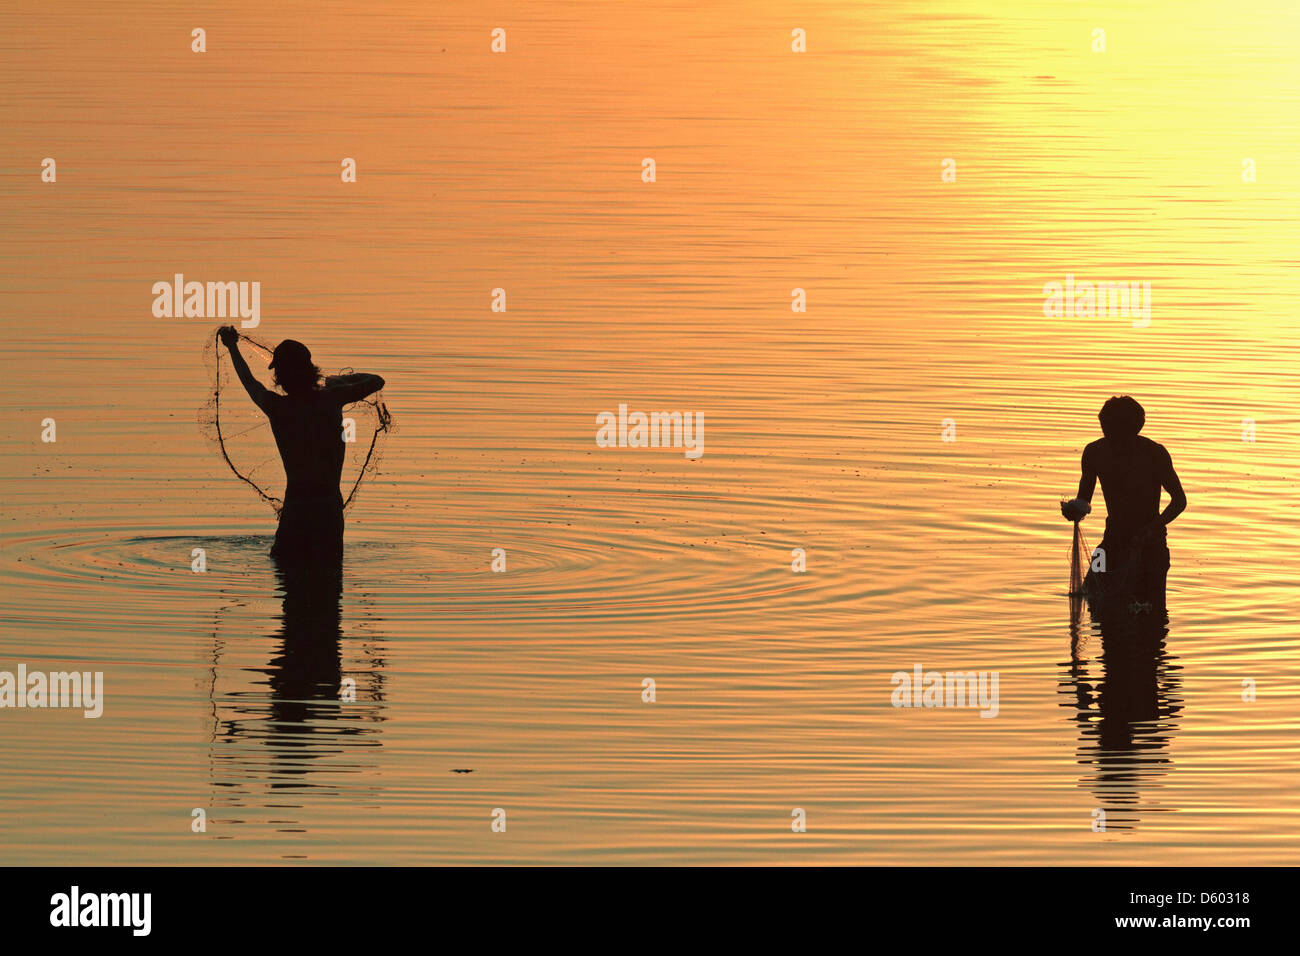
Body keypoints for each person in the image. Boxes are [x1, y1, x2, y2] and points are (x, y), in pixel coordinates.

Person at [218, 326, 385, 561]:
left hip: (296, 508)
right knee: (328, 580)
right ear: (310, 371)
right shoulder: (332, 398)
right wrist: (340, 381)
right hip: (328, 510)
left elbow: (249, 382)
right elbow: (376, 381)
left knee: (287, 570)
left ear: (281, 377)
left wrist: (232, 348)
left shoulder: (276, 406)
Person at [1061, 396, 1186, 612]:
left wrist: (1151, 529)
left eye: (1114, 431)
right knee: (1093, 598)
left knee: (1149, 612)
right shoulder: (1094, 453)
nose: (1109, 437)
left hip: (1150, 547)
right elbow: (1085, 501)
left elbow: (1179, 501)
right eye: (1105, 429)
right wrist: (1075, 509)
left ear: (1133, 430)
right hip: (1110, 544)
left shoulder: (1154, 453)